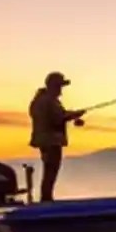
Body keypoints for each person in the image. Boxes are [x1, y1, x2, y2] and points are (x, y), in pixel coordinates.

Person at [28, 71, 85, 202]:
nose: (61, 90)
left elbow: (59, 116)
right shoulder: (47, 101)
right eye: (60, 87)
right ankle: (46, 199)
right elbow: (57, 118)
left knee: (50, 171)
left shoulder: (43, 100)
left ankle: (47, 198)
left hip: (47, 141)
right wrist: (73, 115)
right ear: (53, 86)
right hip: (50, 142)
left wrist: (73, 116)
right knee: (50, 171)